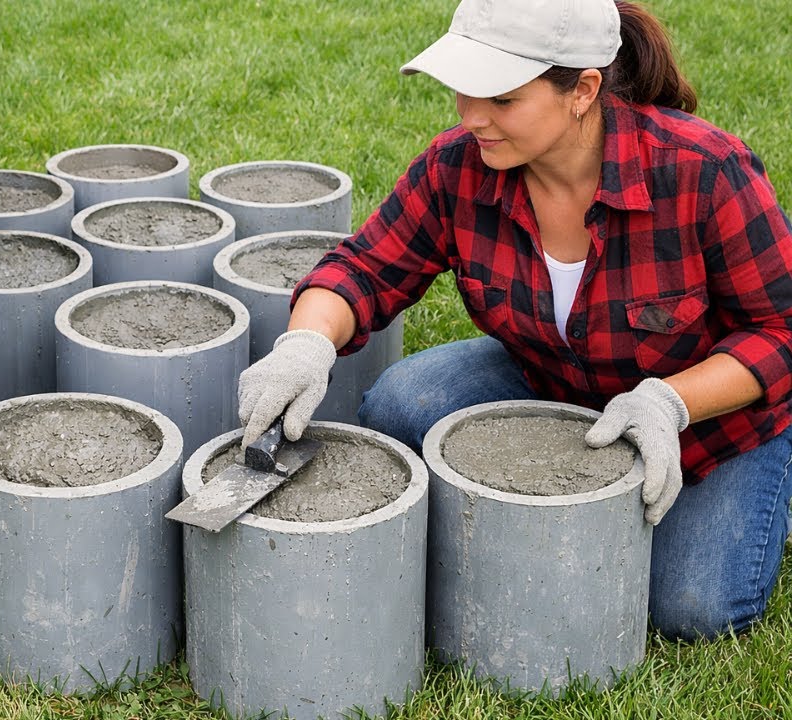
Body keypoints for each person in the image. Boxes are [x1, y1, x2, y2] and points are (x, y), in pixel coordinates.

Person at [238, 0, 792, 641]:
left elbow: (781, 330)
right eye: (463, 93)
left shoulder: (702, 172)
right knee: (401, 403)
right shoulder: (458, 169)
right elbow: (364, 269)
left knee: (692, 611)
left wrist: (672, 403)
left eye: (500, 98)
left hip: (711, 421)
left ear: (583, 89)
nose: (473, 118)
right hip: (551, 373)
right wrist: (306, 343)